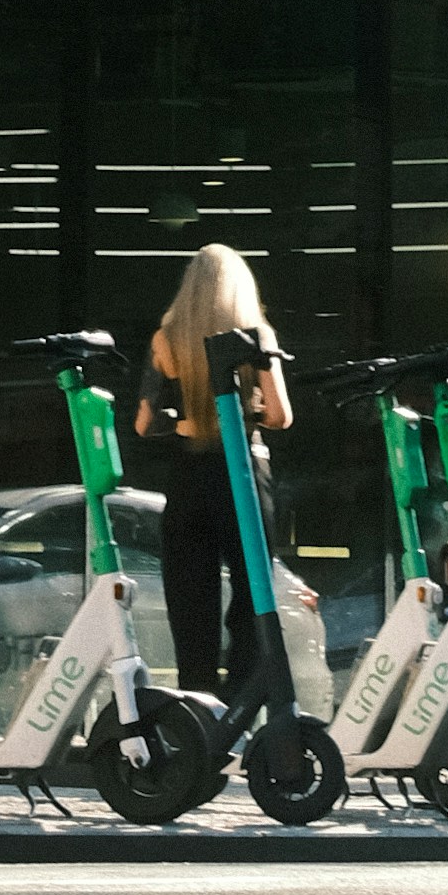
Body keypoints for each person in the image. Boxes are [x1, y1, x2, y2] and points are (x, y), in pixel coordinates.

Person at [129, 236, 287, 700]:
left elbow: (144, 423)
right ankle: (243, 699)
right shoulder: (257, 337)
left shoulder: (167, 338)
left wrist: (184, 418)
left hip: (189, 474)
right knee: (252, 591)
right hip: (245, 473)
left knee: (190, 595)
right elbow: (280, 415)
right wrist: (242, 414)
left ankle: (196, 703)